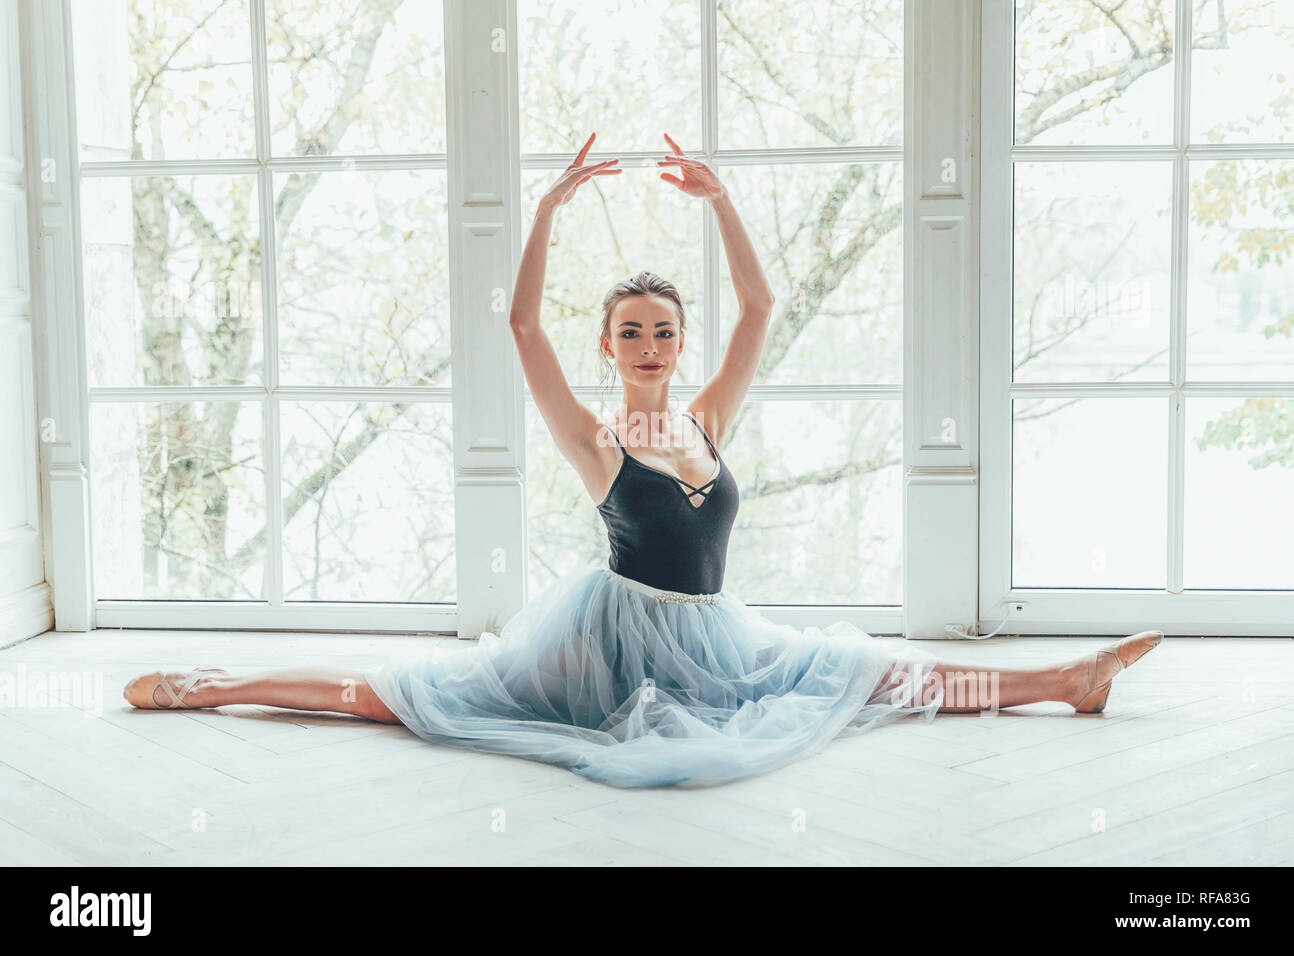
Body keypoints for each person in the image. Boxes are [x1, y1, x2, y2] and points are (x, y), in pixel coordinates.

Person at [124, 133, 1163, 789]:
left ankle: (1064, 678)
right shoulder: (595, 437)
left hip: (716, 635)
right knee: (404, 694)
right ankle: (209, 684)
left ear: (679, 340)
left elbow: (761, 306)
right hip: (612, 639)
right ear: (609, 346)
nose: (650, 345)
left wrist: (719, 203)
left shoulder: (709, 412)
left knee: (870, 672)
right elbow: (522, 324)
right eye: (630, 331)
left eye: (663, 328)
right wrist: (542, 215)